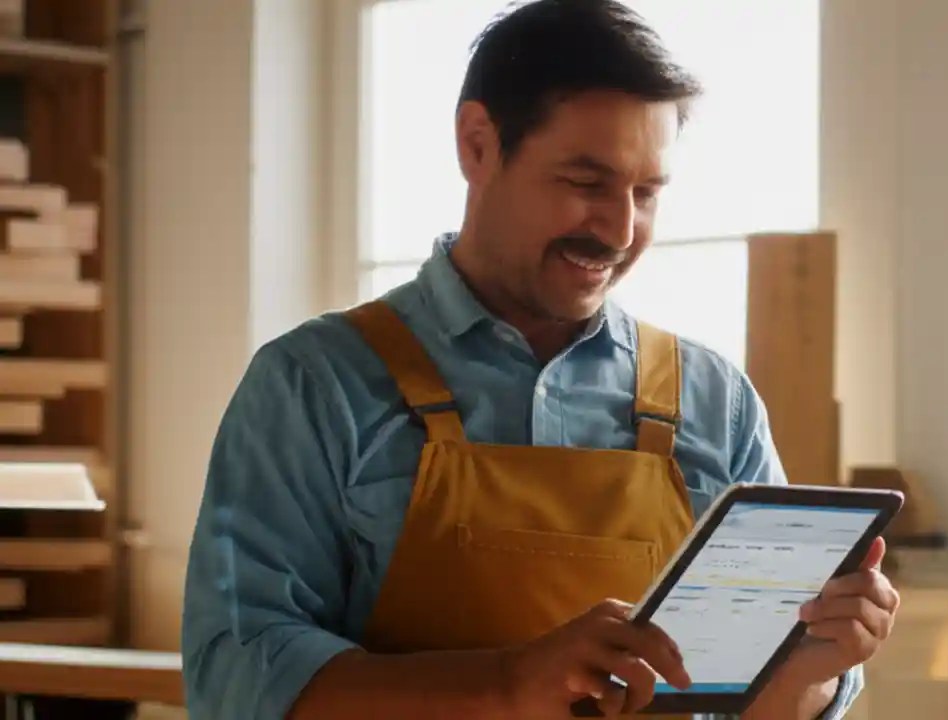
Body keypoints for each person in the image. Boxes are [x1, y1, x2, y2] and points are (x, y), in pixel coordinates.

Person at [181, 1, 900, 718]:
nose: (620, 230)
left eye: (646, 193)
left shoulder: (718, 403)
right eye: (585, 184)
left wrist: (808, 671)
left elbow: (743, 708)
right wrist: (507, 686)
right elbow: (235, 676)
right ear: (477, 145)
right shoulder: (315, 386)